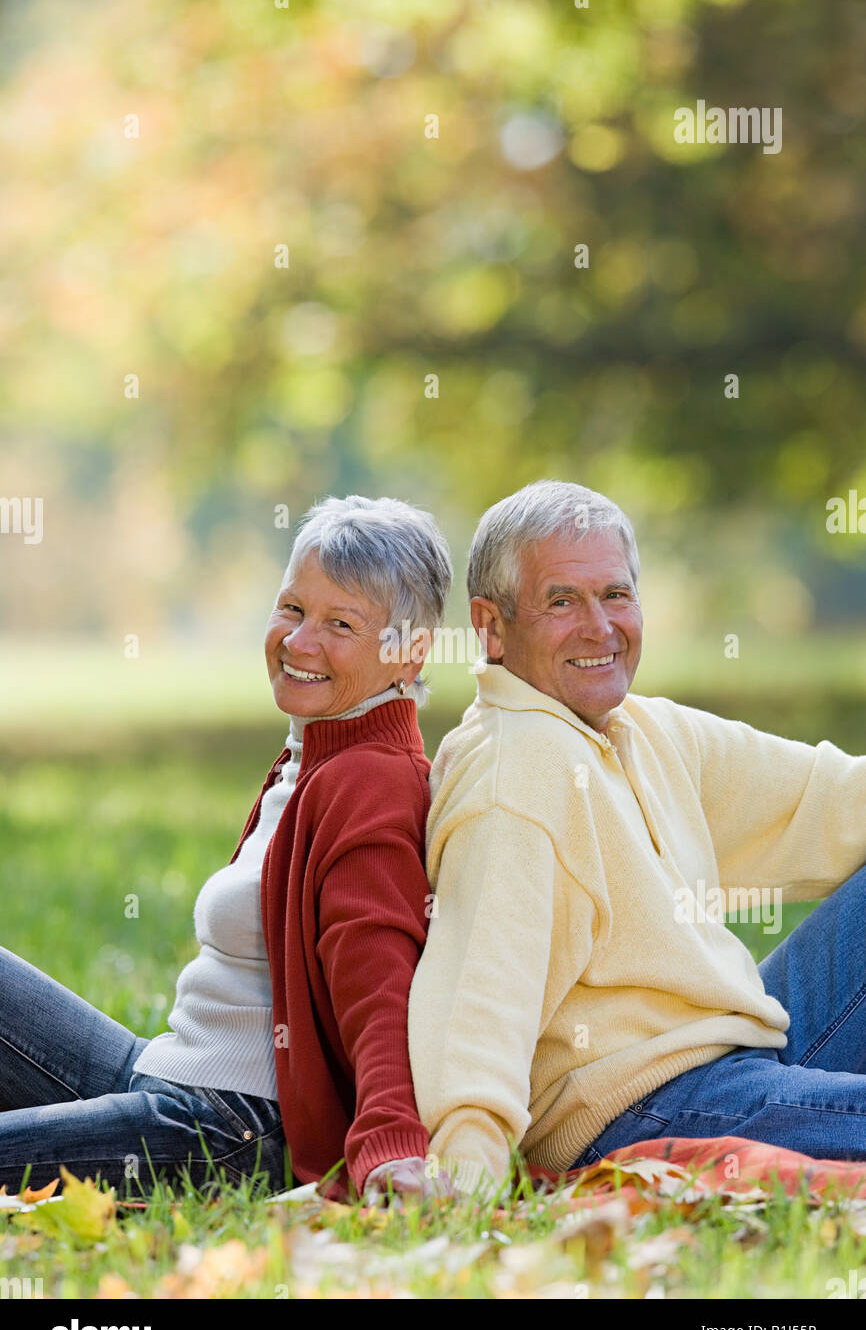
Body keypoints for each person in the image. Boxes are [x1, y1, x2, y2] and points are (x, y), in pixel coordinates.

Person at [408, 478, 866, 1200]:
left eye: (615, 596)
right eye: (562, 601)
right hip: (637, 1107)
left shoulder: (641, 729)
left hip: (740, 1048)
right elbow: (480, 988)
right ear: (491, 627)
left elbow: (834, 798)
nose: (600, 627)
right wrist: (468, 1164)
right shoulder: (515, 770)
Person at [0, 494, 453, 1203]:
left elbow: (381, 979)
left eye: (341, 624)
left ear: (410, 652)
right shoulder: (314, 751)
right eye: (292, 608)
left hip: (226, 1132)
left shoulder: (372, 781)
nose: (300, 642)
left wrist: (392, 1144)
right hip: (166, 1074)